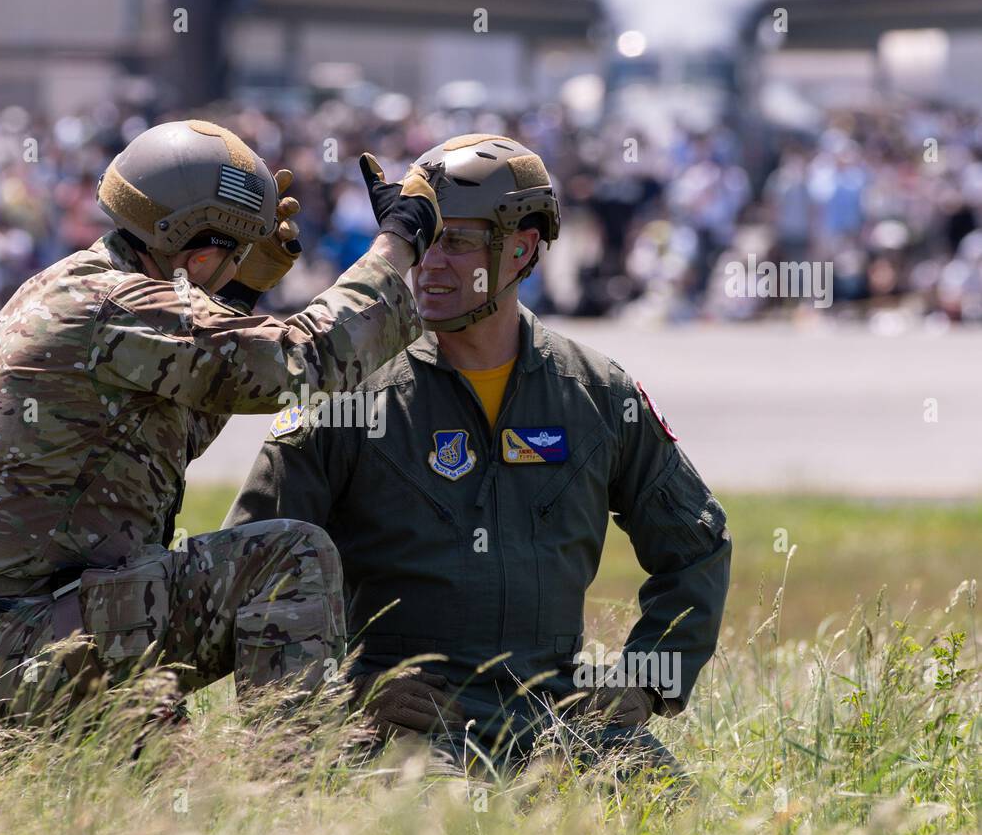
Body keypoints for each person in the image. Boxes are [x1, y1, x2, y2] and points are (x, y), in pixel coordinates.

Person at [0, 118, 444, 754]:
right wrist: (397, 245)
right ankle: (294, 790)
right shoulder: (121, 305)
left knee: (176, 802)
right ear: (198, 251)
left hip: (1, 646)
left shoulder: (72, 289)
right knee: (288, 557)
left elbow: (172, 427)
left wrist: (237, 291)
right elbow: (304, 361)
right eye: (232, 254)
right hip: (16, 643)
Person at [225, 134, 731, 779]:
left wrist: (645, 682)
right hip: (402, 727)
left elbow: (696, 546)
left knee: (669, 816)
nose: (428, 264)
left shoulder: (596, 394)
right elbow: (252, 565)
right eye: (419, 241)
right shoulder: (343, 392)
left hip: (553, 717)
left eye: (455, 242)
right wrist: (339, 694)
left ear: (519, 249)